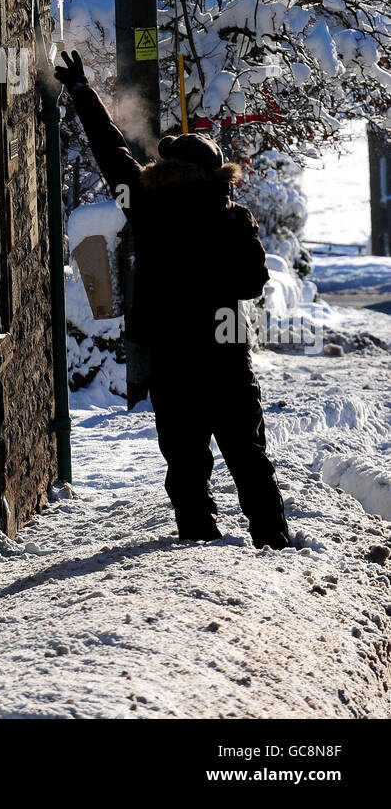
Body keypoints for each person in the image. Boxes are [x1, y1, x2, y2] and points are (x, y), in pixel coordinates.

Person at [54, 50, 290, 550]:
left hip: (170, 358)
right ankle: (273, 542)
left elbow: (111, 151)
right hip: (225, 355)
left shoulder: (147, 204)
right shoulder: (233, 218)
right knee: (248, 456)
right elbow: (252, 283)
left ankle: (200, 542)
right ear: (215, 175)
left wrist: (82, 93)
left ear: (165, 171)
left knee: (185, 463)